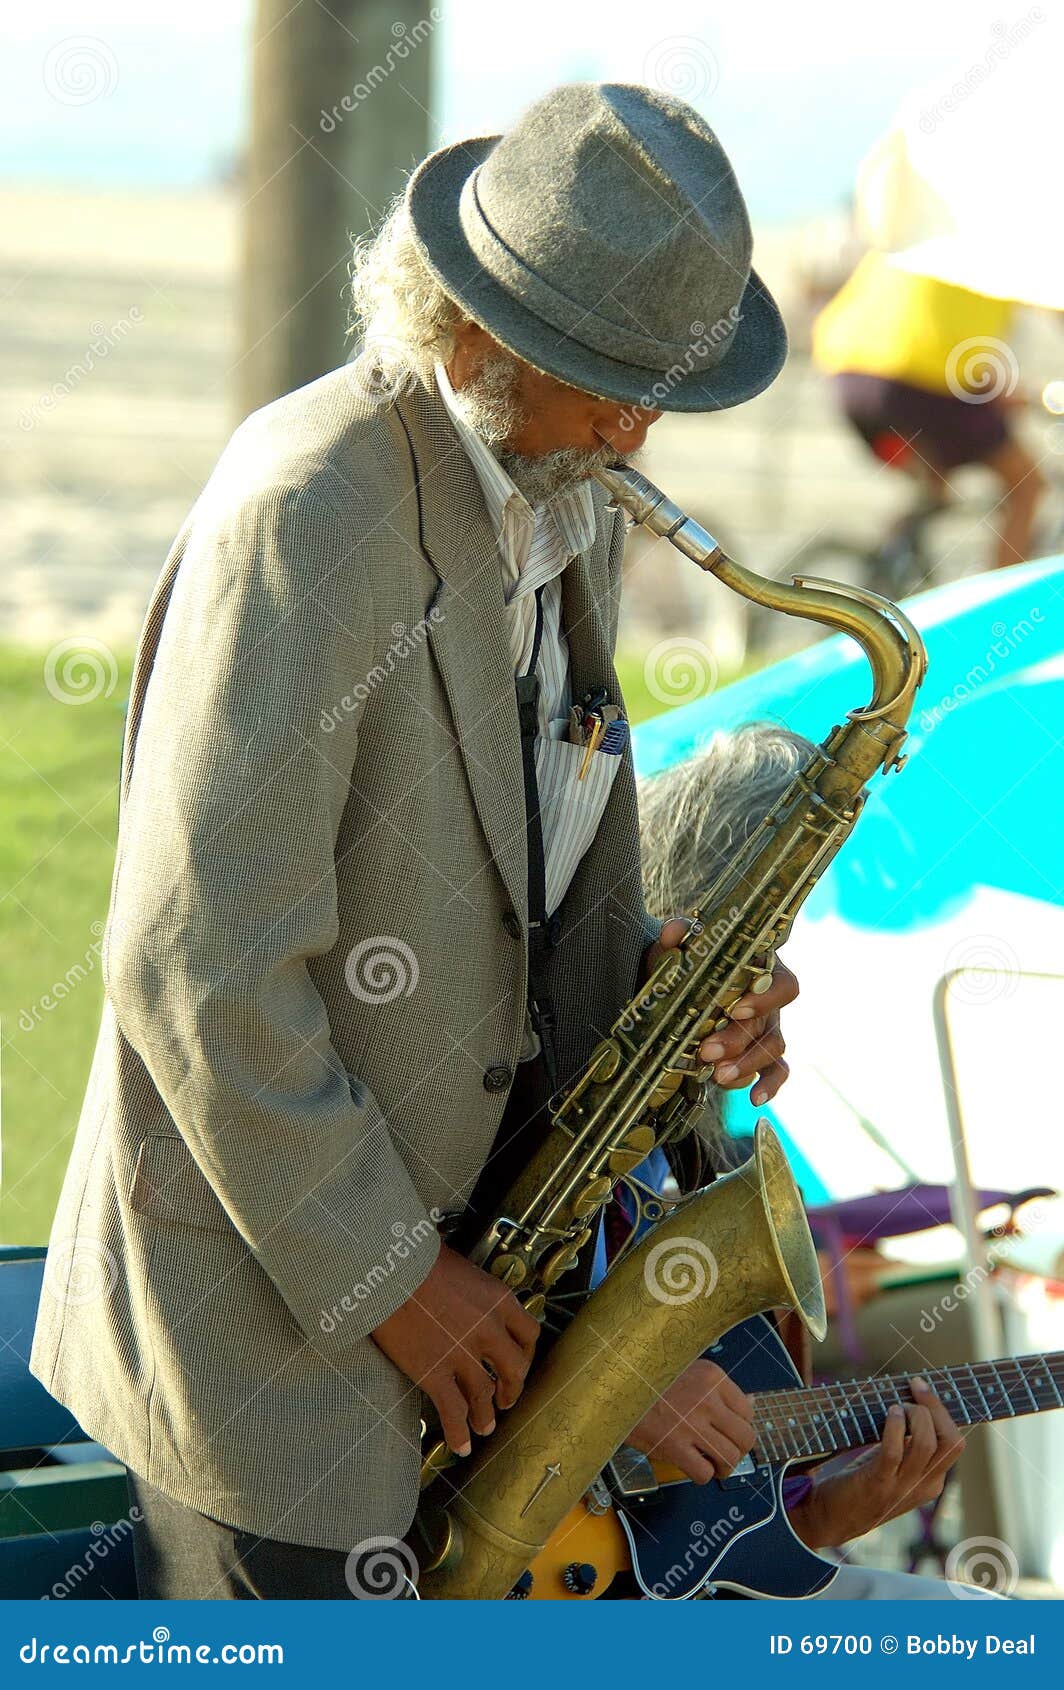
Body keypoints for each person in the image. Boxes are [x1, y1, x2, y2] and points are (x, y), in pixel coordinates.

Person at [30, 83, 800, 1601]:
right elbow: (199, 963)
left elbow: (550, 880)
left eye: (664, 389)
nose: (639, 427)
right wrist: (397, 1281)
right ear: (478, 327)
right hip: (273, 1361)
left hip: (475, 1317)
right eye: (610, 379)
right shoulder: (310, 509)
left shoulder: (566, 492)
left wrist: (675, 1011)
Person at [631, 728, 1002, 1599]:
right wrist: (629, 1385)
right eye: (765, 944)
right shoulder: (561, 1125)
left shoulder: (689, 1137)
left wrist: (840, 1509)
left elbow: (751, 1533)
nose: (779, 982)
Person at [812, 251, 1044, 571]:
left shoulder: (924, 224)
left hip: (848, 376)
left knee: (934, 484)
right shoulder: (1014, 243)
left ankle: (891, 565)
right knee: (1026, 484)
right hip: (921, 379)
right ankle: (1000, 609)